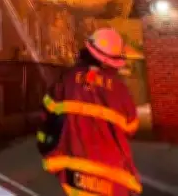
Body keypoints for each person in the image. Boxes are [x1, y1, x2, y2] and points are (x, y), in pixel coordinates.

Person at [37, 27, 142, 196]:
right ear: (110, 61)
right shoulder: (119, 89)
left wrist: (46, 148)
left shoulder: (65, 80)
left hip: (73, 172)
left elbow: (46, 118)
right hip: (113, 177)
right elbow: (131, 127)